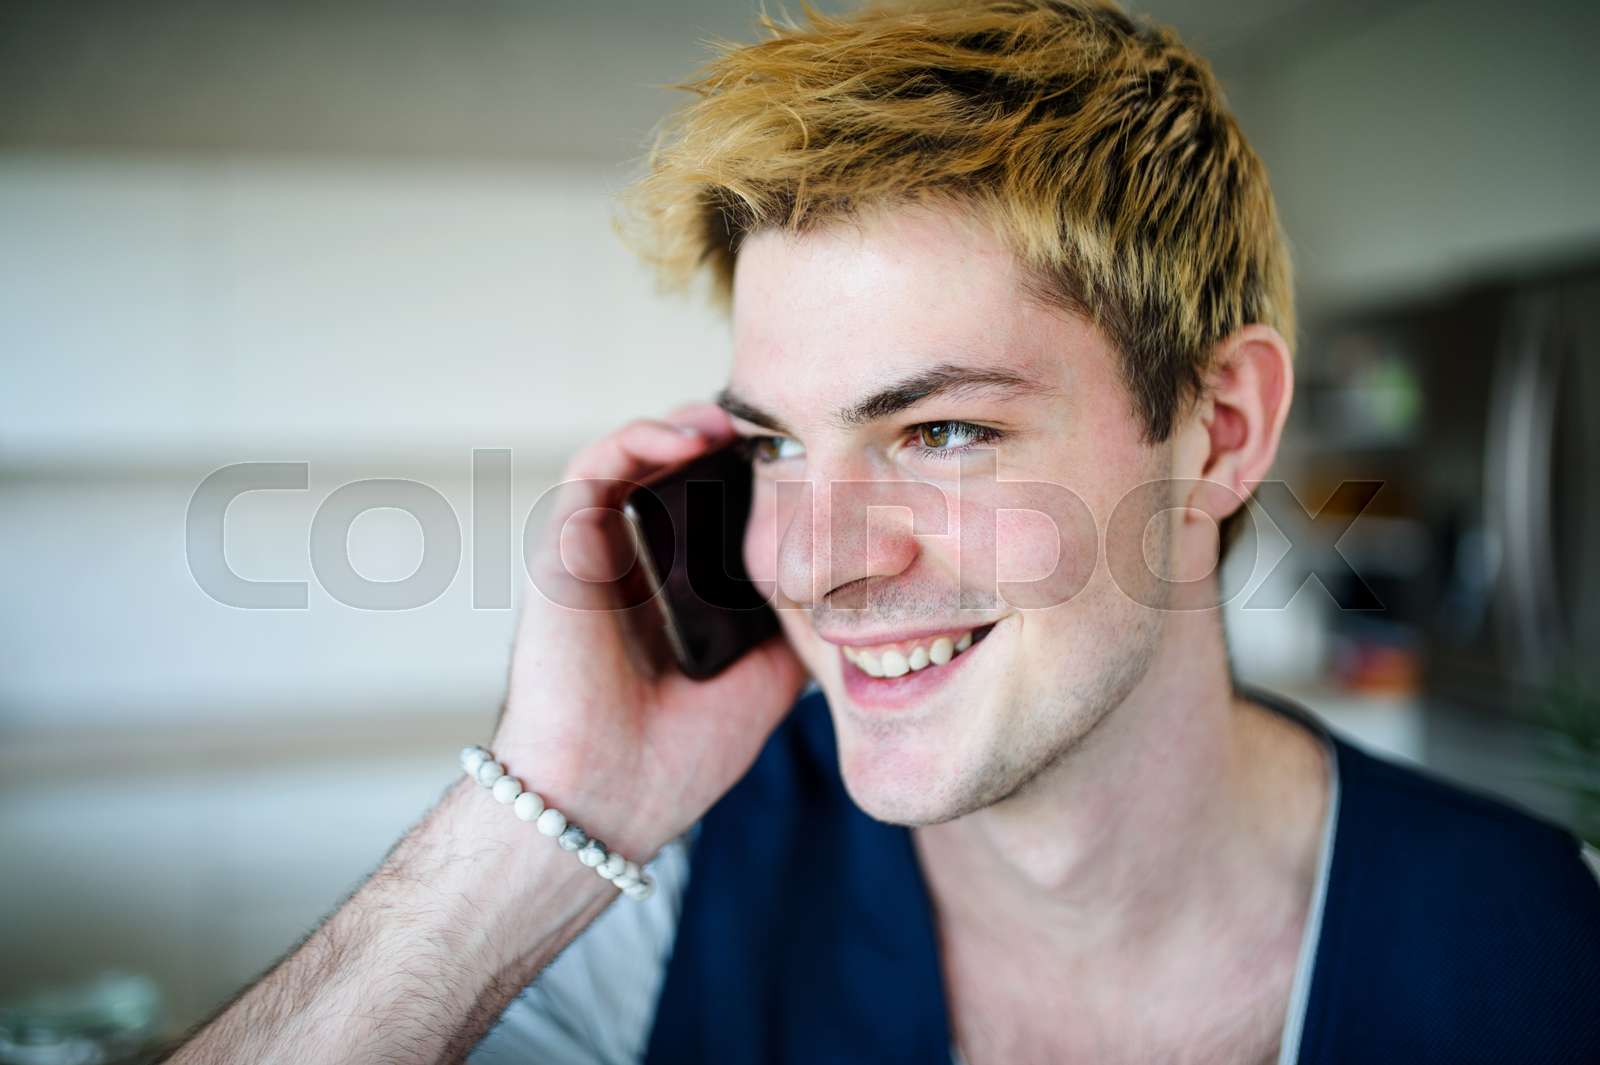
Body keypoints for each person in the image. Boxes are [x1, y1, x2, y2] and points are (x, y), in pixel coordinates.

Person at [165, 2, 1600, 1063]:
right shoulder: (659, 903)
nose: (803, 558)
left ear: (1218, 427)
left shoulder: (1544, 940)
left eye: (941, 432)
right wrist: (551, 810)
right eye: (777, 443)